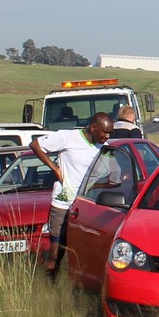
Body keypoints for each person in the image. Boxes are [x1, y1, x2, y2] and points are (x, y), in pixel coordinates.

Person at [30, 112, 112, 276]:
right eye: (105, 132)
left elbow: (108, 177)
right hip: (63, 203)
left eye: (110, 133)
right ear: (93, 127)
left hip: (85, 206)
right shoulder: (67, 137)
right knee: (56, 250)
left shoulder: (105, 148)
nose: (107, 136)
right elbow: (35, 145)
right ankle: (49, 282)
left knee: (83, 251)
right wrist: (55, 169)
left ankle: (77, 283)